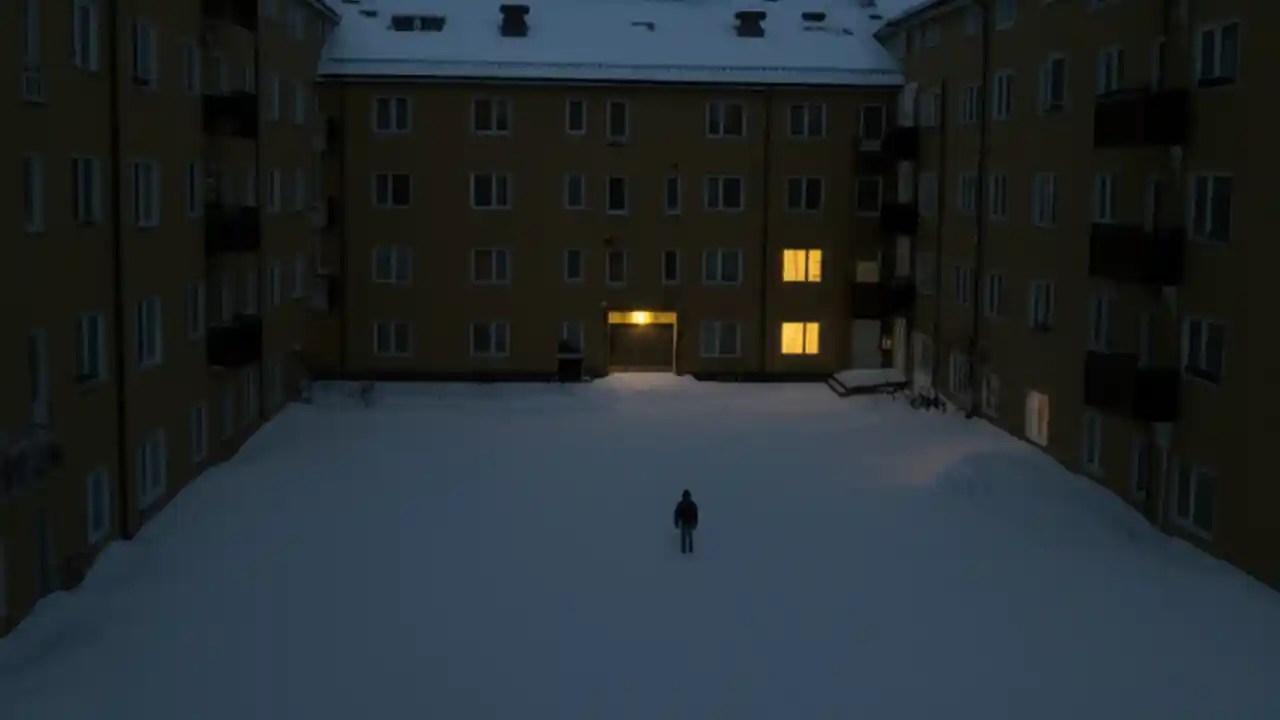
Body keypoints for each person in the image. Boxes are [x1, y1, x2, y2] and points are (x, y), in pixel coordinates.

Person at [673, 489, 699, 555]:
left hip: (684, 522)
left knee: (683, 538)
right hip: (689, 522)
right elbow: (696, 515)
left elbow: (676, 514)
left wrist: (676, 523)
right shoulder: (692, 504)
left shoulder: (680, 504)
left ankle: (684, 552)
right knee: (690, 537)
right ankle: (690, 552)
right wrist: (695, 523)